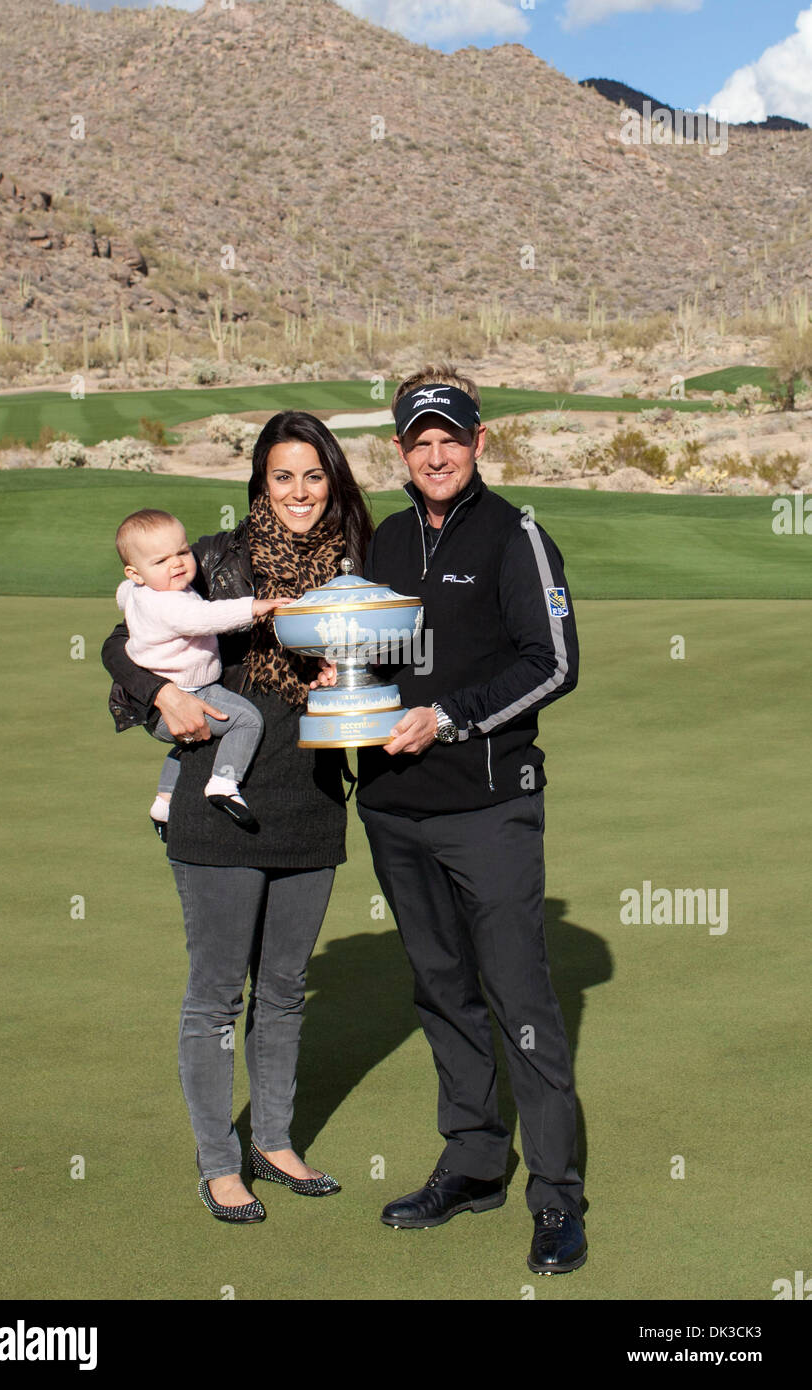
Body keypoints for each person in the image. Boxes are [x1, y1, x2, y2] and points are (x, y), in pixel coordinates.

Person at [318, 365, 587, 1273]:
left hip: (488, 808)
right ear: (401, 450)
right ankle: (473, 1162)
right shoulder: (386, 543)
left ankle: (557, 1198)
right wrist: (337, 676)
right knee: (440, 990)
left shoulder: (517, 536)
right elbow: (370, 655)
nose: (436, 456)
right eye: (419, 442)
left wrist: (452, 716)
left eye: (451, 440)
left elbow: (551, 663)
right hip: (394, 810)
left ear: (480, 442)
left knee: (522, 1002)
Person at [101, 411, 373, 1223]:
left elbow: (395, 662)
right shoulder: (216, 560)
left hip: (314, 801)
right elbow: (125, 645)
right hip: (220, 807)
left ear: (334, 481)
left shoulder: (359, 567)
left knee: (284, 990)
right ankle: (219, 1163)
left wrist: (347, 680)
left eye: (313, 475)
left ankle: (276, 1142)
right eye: (281, 475)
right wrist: (165, 694)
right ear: (261, 483)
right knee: (216, 995)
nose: (298, 491)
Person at [112, 507, 293, 835]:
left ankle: (164, 801)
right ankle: (223, 783)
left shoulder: (137, 591)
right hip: (186, 693)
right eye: (160, 561)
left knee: (192, 744)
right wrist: (255, 607)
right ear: (135, 573)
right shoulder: (169, 603)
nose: (177, 563)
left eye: (182, 551)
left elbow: (123, 597)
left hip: (158, 702)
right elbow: (206, 618)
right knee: (246, 721)